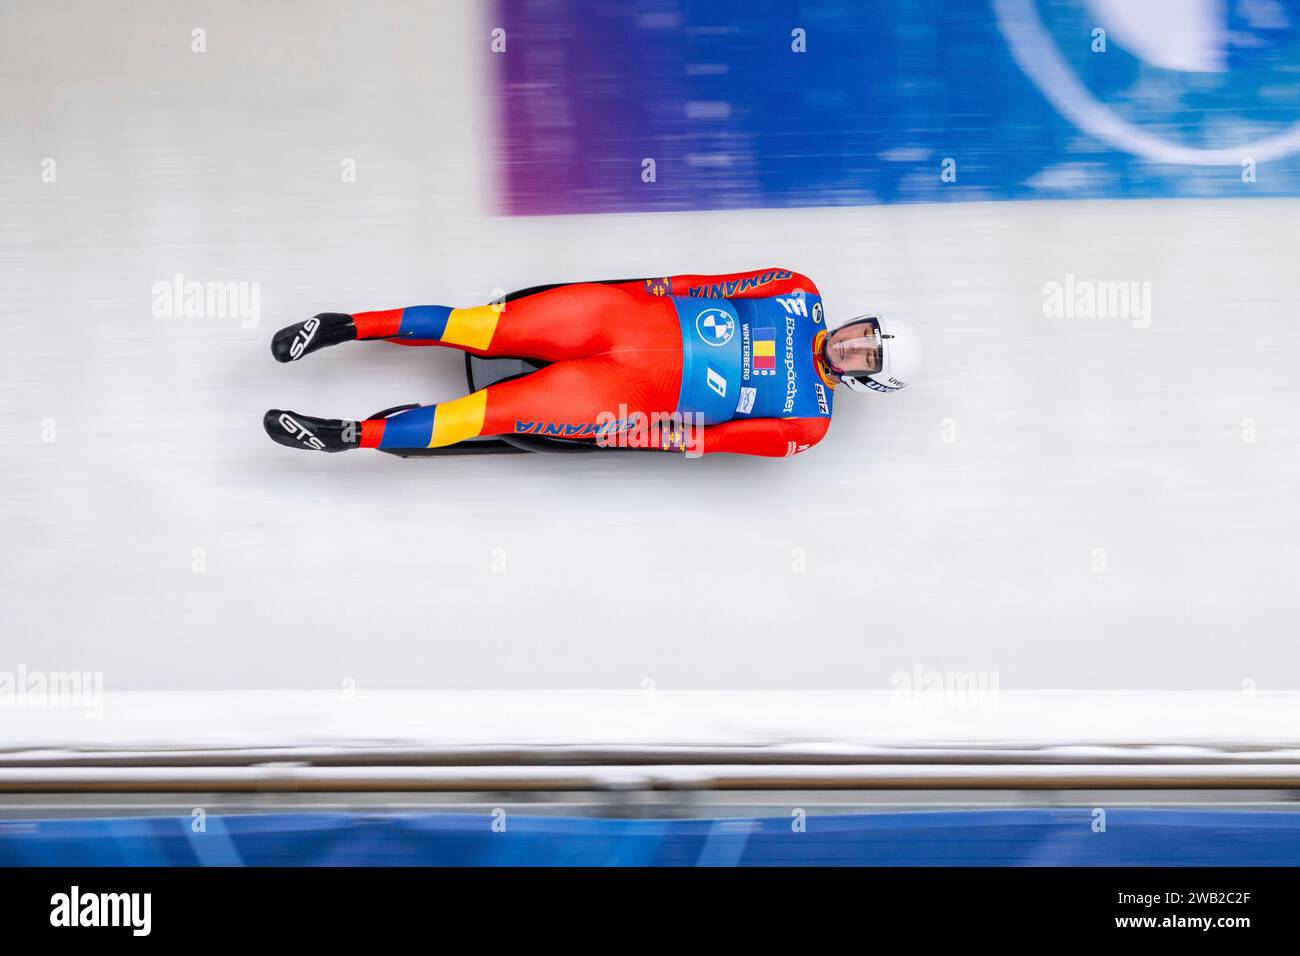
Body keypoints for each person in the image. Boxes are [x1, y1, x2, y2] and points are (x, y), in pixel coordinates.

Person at [263, 267, 916, 458]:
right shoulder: (797, 290)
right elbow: (704, 284)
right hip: (613, 317)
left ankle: (348, 436)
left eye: (863, 354)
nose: (851, 342)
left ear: (863, 378)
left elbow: (706, 439)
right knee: (477, 327)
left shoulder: (808, 423)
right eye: (863, 331)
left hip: (620, 393)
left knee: (486, 413)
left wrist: (625, 431)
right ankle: (346, 327)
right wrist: (634, 293)